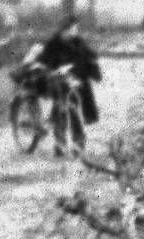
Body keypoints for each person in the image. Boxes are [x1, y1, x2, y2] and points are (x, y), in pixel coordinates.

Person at [36, 15, 101, 156]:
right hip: (56, 81)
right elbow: (44, 62)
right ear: (63, 30)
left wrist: (93, 63)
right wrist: (56, 70)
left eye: (75, 29)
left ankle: (75, 144)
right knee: (66, 108)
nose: (74, 32)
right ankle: (63, 144)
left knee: (71, 109)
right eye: (71, 29)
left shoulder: (78, 41)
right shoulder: (53, 44)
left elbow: (89, 54)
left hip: (75, 82)